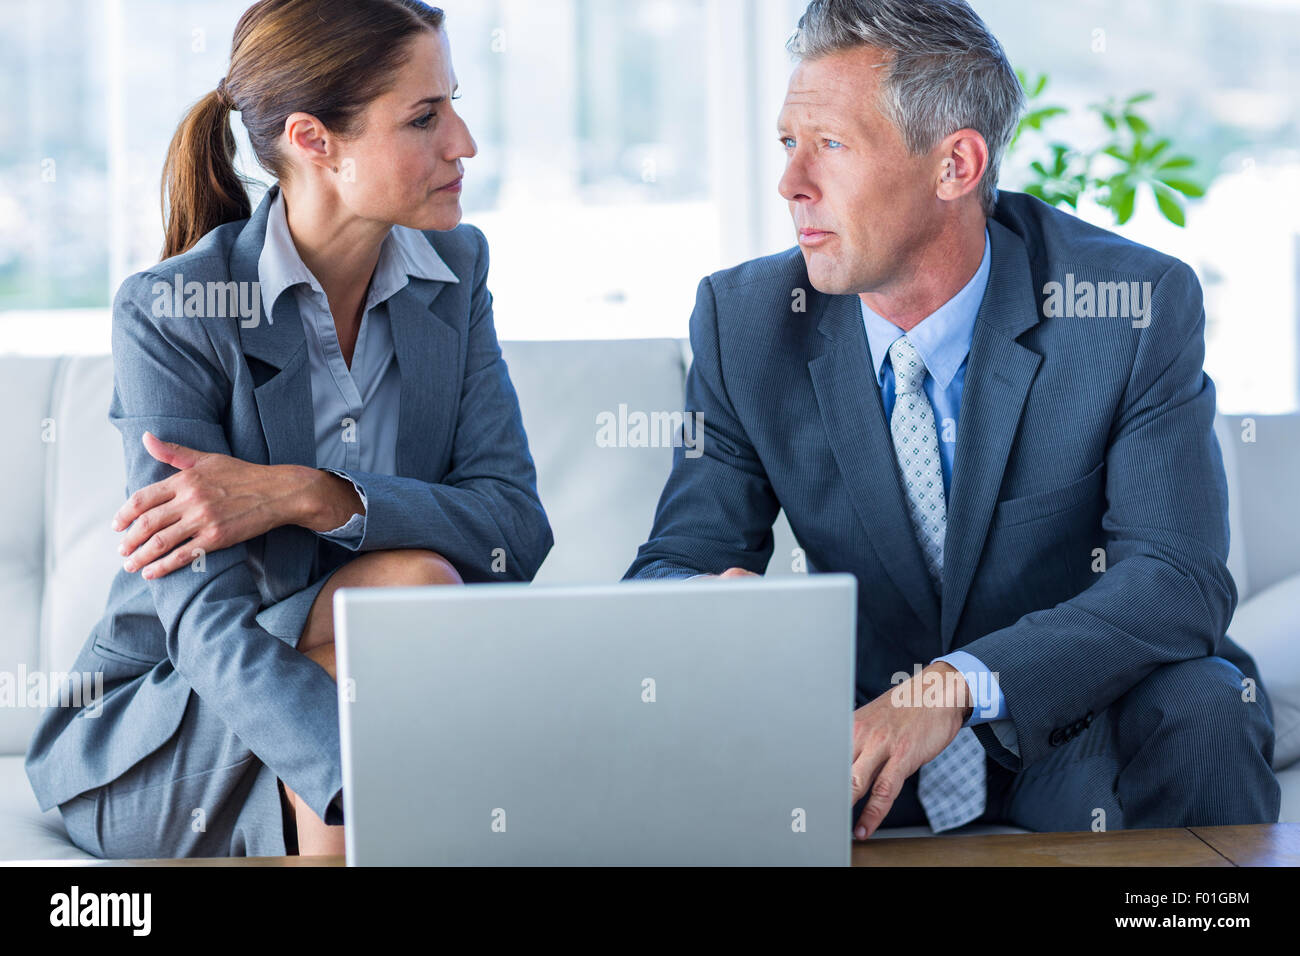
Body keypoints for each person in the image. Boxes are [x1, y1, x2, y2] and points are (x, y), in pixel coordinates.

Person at [625, 0, 1279, 838]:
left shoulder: (1125, 308)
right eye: (789, 144)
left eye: (830, 146)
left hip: (1073, 728)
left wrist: (950, 686)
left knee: (1208, 704)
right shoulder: (746, 319)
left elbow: (1178, 580)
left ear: (956, 165)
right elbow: (672, 563)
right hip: (855, 739)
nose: (791, 183)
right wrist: (700, 601)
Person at [26, 0, 551, 858]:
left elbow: (514, 531)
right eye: (425, 116)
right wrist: (357, 772)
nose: (464, 143)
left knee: (402, 600)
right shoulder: (174, 311)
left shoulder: (455, 274)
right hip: (175, 730)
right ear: (314, 141)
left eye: (452, 103)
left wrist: (314, 496)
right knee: (403, 595)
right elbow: (201, 624)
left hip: (395, 679)